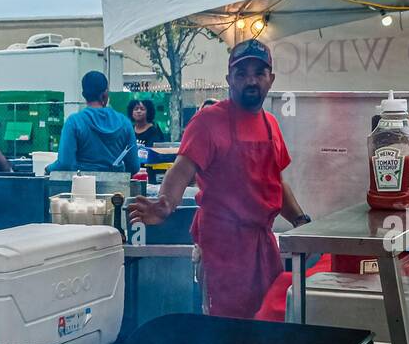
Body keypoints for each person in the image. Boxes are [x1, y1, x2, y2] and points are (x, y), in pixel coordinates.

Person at [128, 39, 309, 319]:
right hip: (223, 248)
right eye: (241, 73)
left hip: (263, 246)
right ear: (229, 79)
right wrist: (165, 203)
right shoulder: (208, 122)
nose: (251, 80)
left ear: (270, 79)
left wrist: (300, 222)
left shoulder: (271, 124)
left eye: (259, 73)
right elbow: (182, 168)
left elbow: (276, 182)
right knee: (227, 332)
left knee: (269, 323)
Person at [47, 71, 142, 174]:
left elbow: (65, 164)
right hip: (116, 188)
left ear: (83, 95)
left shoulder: (74, 122)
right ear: (105, 94)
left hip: (82, 187)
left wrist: (47, 169)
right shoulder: (124, 123)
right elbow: (133, 166)